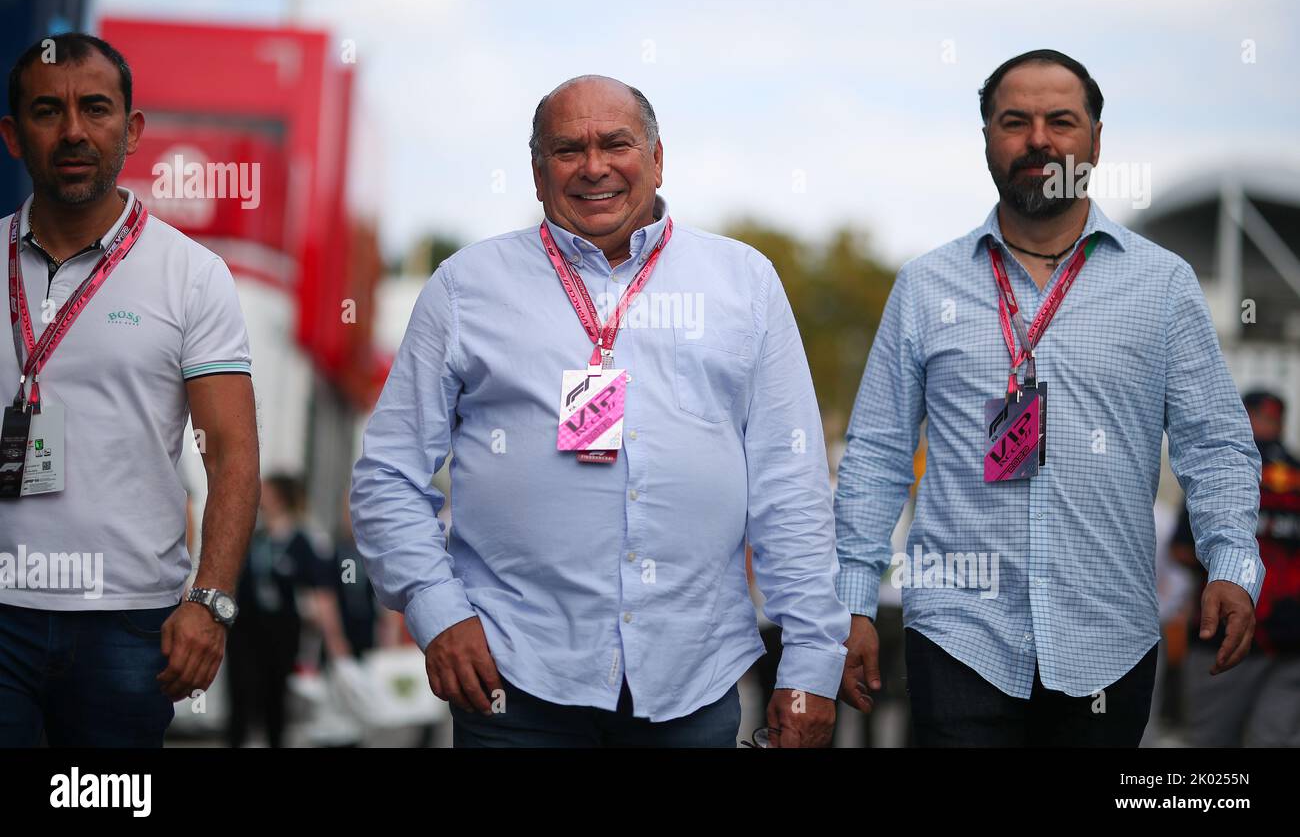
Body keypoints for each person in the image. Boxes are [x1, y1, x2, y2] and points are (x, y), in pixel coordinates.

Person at [350, 74, 848, 747]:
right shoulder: (466, 289)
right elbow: (385, 475)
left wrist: (812, 661)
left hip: (693, 688)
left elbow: (791, 485)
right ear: (536, 172)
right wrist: (438, 614)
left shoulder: (744, 284)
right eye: (567, 149)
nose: (593, 167)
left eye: (615, 143)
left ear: (656, 158)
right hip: (511, 684)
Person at [834, 49, 1263, 747]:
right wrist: (852, 599)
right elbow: (878, 452)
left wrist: (1233, 565)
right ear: (986, 141)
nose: (1039, 140)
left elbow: (1214, 443)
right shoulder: (925, 286)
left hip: (1109, 636)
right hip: (957, 634)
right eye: (1015, 121)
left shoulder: (1162, 286)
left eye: (1061, 121)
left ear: (1095, 141)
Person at [0, 32, 260, 746]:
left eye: (97, 108)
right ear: (13, 134)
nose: (75, 130)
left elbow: (232, 453)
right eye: (48, 111)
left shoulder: (193, 274)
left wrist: (211, 603)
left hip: (127, 622)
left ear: (133, 129)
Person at [1173, 389, 1300, 746]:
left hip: (1223, 633)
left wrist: (1229, 568)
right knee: (1275, 740)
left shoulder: (1225, 476)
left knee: (1210, 743)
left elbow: (1182, 549)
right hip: (1290, 638)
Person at [226, 474, 343, 748]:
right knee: (240, 696)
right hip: (244, 631)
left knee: (275, 700)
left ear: (281, 497)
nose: (259, 496)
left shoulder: (304, 541)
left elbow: (321, 593)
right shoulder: (254, 537)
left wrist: (335, 640)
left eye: (265, 491)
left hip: (281, 633)